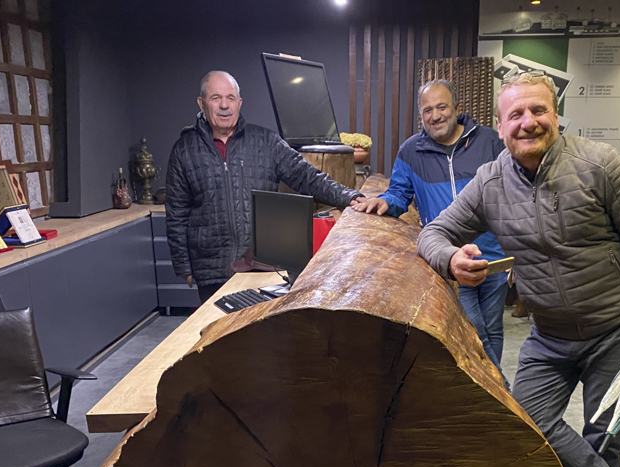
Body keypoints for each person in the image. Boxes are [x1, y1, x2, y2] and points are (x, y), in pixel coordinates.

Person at [417, 73, 620, 467]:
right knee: (528, 421)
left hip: (616, 326)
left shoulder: (599, 165)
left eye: (538, 111)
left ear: (555, 115)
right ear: (499, 127)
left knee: (604, 433)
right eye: (515, 115)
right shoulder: (490, 182)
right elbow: (434, 231)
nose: (528, 122)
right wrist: (451, 258)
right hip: (550, 333)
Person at [166, 71, 365, 302]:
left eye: (230, 98)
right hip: (211, 270)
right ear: (201, 103)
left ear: (239, 103)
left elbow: (307, 176)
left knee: (261, 334)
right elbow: (176, 213)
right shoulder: (184, 149)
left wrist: (347, 196)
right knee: (218, 334)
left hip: (261, 267)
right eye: (215, 98)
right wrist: (183, 265)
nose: (224, 105)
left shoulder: (266, 142)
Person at [354, 80, 509, 374]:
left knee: (492, 328)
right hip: (449, 259)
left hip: (493, 256)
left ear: (457, 109)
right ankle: (499, 389)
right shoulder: (411, 151)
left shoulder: (490, 142)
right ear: (421, 116)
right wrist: (386, 202)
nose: (435, 115)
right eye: (428, 110)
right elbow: (399, 193)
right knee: (473, 329)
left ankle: (491, 391)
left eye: (441, 107)